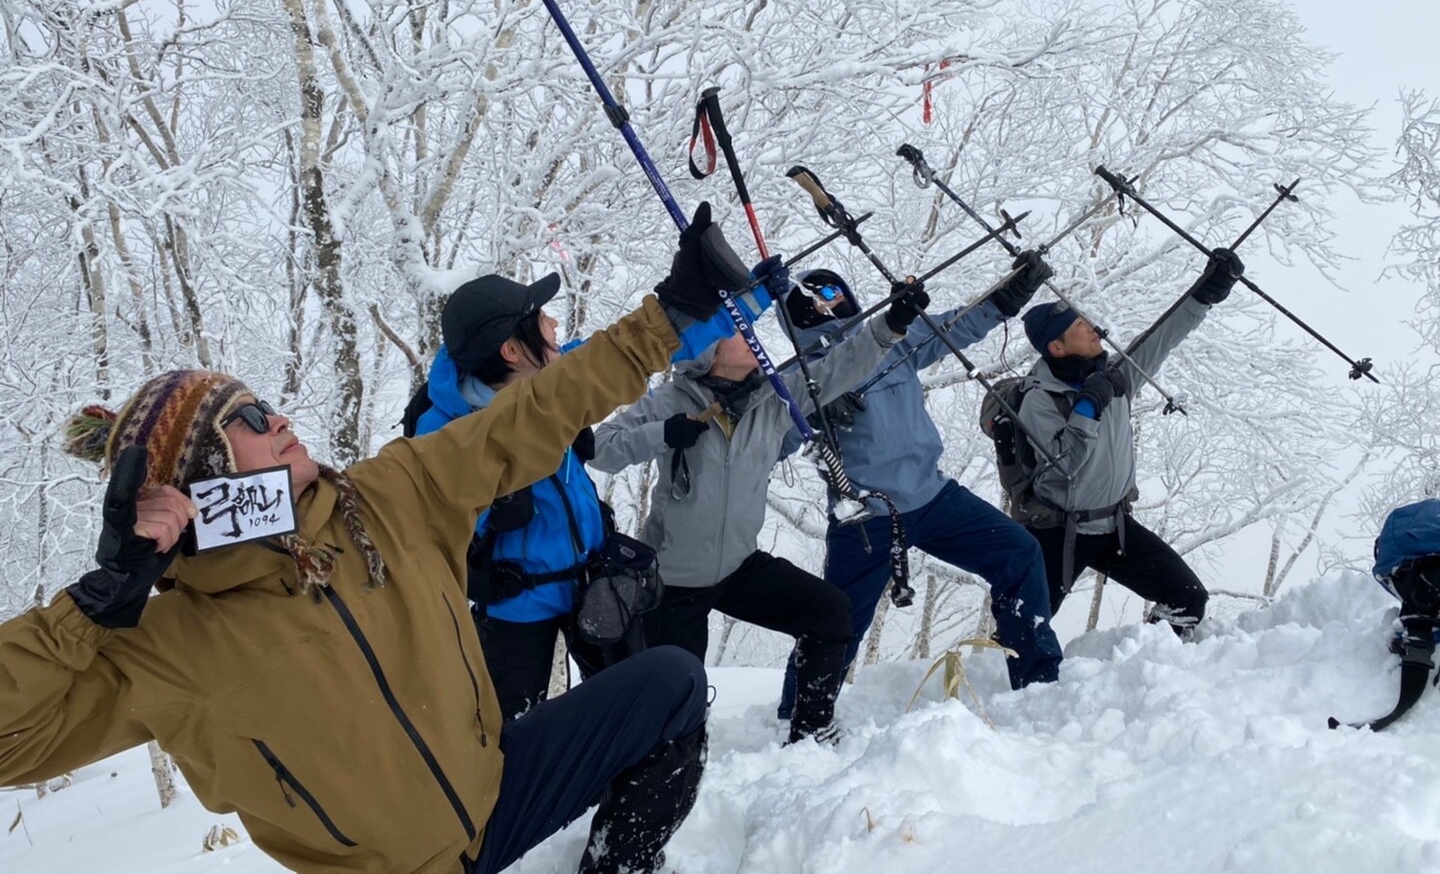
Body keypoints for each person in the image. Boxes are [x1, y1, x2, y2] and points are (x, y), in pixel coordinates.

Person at [0, 205, 746, 874]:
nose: (282, 421)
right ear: (202, 473)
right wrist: (90, 609)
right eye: (252, 422)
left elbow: (533, 413)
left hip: (495, 795)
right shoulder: (165, 646)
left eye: (270, 406)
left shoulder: (388, 497)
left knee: (671, 683)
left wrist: (667, 318)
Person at [406, 262, 779, 720]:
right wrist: (493, 503)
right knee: (507, 738)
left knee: (633, 720)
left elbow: (643, 352)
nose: (554, 323)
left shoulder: (555, 385)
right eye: (541, 319)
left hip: (595, 586)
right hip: (518, 611)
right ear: (511, 350)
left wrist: (751, 302)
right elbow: (437, 532)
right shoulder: (442, 432)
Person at [588, 274, 931, 744]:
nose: (748, 336)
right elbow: (600, 448)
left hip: (739, 567)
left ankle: (810, 732)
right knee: (678, 702)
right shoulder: (669, 402)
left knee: (831, 615)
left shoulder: (774, 397)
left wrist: (891, 323)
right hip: (673, 581)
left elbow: (838, 369)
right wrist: (662, 434)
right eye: (732, 331)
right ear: (706, 352)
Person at [777, 253, 1063, 722]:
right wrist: (813, 410)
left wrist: (1009, 296)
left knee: (1019, 552)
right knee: (837, 621)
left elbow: (953, 327)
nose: (828, 303)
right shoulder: (800, 380)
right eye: (813, 299)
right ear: (797, 316)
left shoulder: (888, 340)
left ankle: (1039, 682)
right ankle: (797, 714)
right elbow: (771, 438)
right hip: (865, 517)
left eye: (834, 293)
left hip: (932, 497)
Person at [1013, 247, 1246, 636]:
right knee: (1025, 629)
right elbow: (1065, 467)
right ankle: (1011, 693)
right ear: (1056, 347)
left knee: (1187, 598)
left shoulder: (1115, 378)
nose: (1093, 329)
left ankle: (1148, 659)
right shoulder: (1038, 398)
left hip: (1114, 526)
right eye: (1080, 327)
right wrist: (1087, 407)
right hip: (1058, 532)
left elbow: (1160, 339)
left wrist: (1205, 293)